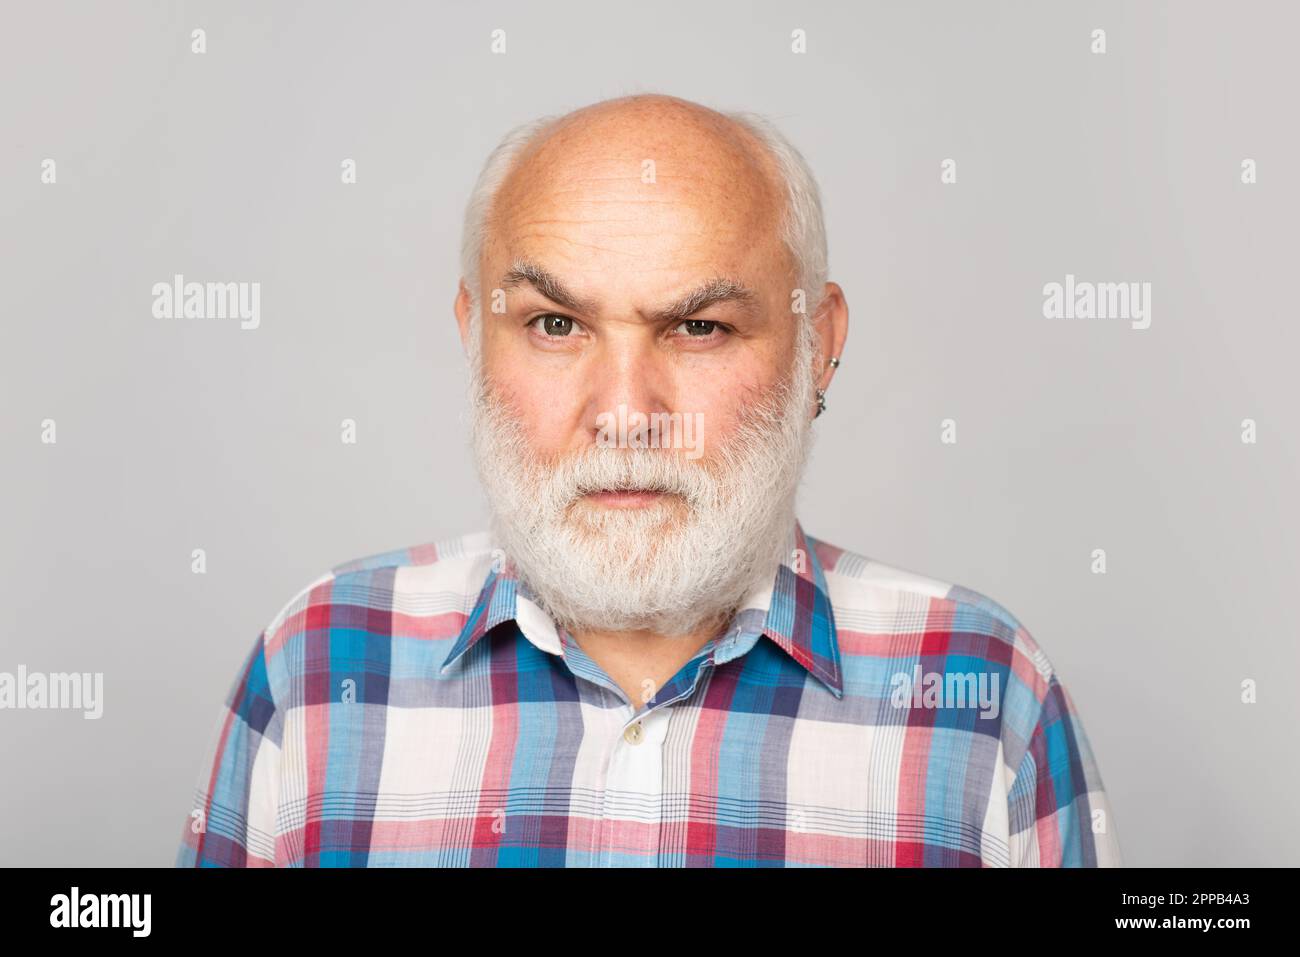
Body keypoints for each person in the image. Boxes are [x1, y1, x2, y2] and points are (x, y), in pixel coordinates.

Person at [177, 93, 1120, 867]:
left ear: (818, 349)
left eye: (698, 328)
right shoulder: (317, 667)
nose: (627, 411)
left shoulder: (985, 692)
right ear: (473, 337)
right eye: (555, 325)